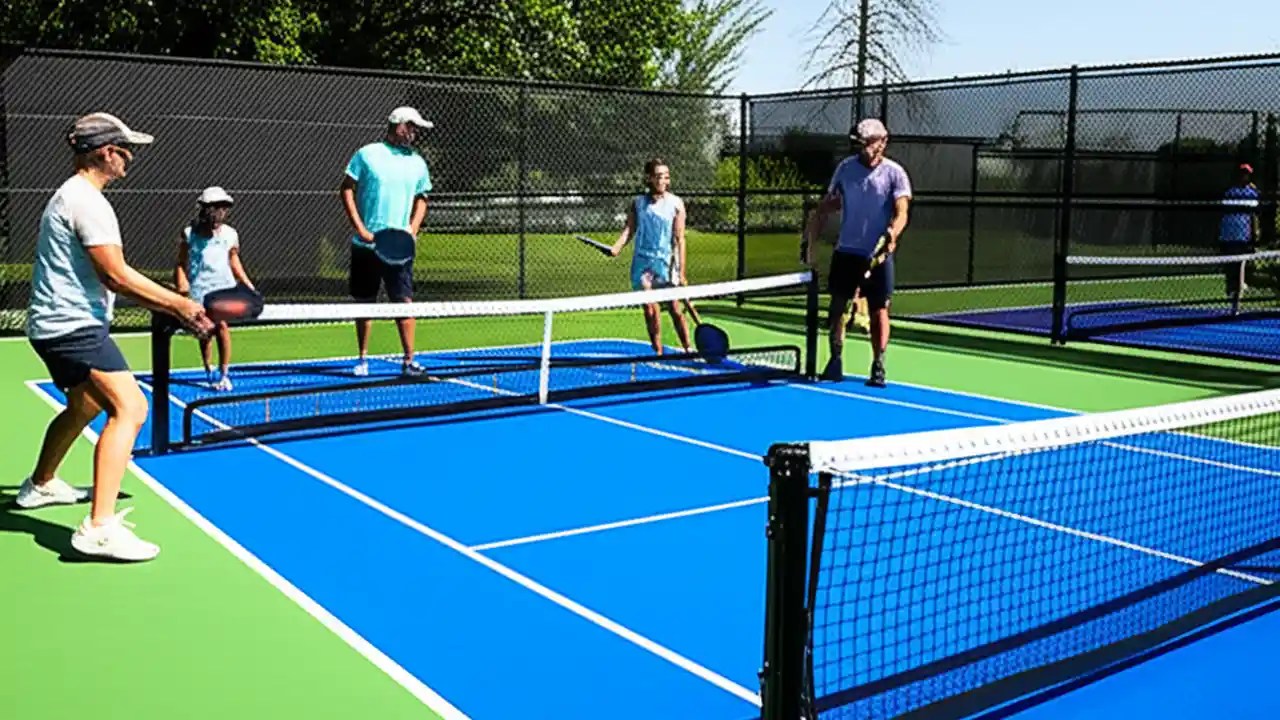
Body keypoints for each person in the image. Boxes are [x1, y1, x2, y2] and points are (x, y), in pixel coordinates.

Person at [17, 112, 214, 561]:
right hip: (71, 327)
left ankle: (41, 484)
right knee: (130, 407)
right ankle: (99, 529)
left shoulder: (71, 196)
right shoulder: (87, 201)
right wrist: (180, 304)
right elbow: (116, 276)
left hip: (56, 325)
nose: (130, 158)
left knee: (85, 404)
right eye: (126, 150)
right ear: (106, 152)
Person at [804, 118, 912, 387]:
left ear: (882, 142)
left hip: (878, 257)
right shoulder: (845, 169)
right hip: (846, 252)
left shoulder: (895, 174)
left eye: (868, 143)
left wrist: (892, 234)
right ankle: (836, 359)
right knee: (838, 308)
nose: (863, 149)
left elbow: (902, 213)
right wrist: (813, 233)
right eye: (860, 144)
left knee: (879, 311)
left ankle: (878, 365)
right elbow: (830, 204)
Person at [340, 106, 434, 377]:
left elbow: (422, 198)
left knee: (403, 302)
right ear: (399, 125)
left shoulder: (418, 162)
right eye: (412, 127)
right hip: (366, 247)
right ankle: (362, 359)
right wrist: (360, 228)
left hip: (399, 249)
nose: (415, 133)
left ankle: (409, 360)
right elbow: (346, 188)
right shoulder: (367, 154)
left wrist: (412, 231)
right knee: (365, 303)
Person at [174, 186, 255, 391]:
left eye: (223, 208)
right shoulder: (189, 234)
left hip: (223, 290)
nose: (219, 213)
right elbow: (181, 263)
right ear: (204, 208)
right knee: (205, 332)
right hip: (199, 291)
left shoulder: (230, 234)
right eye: (215, 208)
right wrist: (182, 288)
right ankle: (208, 368)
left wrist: (247, 285)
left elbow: (234, 262)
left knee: (222, 327)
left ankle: (224, 373)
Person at [609, 158, 692, 354]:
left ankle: (688, 348)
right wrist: (617, 248)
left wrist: (681, 272)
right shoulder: (638, 204)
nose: (663, 180)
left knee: (675, 309)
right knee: (649, 308)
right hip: (643, 264)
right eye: (658, 176)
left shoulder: (676, 204)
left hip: (666, 264)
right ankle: (658, 351)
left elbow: (680, 239)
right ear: (649, 178)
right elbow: (629, 229)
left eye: (666, 177)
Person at [1219, 163, 1260, 313]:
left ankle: (1236, 303)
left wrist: (1254, 235)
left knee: (1240, 269)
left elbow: (1253, 216)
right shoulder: (1230, 192)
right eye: (1242, 173)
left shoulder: (1252, 193)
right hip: (1228, 237)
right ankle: (1232, 293)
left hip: (1243, 238)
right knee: (1230, 269)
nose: (1244, 176)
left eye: (1247, 174)